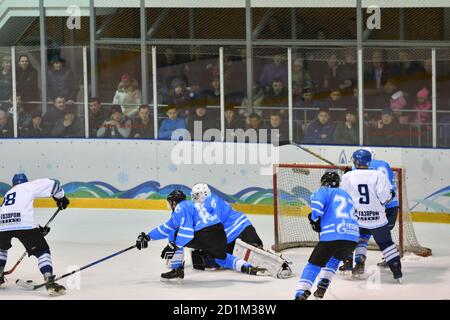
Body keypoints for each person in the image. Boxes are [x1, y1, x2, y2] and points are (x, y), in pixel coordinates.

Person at [134, 190, 267, 281]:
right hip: (219, 233)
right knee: (221, 258)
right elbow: (166, 227)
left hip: (206, 234)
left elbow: (185, 233)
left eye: (170, 203)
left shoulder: (181, 207)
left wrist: (173, 246)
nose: (170, 205)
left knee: (174, 234)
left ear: (174, 202)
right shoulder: (192, 205)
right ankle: (248, 268)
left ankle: (177, 269)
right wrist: (148, 237)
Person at [0, 173, 70, 296]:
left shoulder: (8, 193)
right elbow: (54, 185)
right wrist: (61, 198)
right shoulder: (30, 186)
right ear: (26, 181)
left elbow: (14, 213)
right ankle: (49, 281)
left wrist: (38, 228)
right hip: (25, 225)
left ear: (13, 184)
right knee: (42, 251)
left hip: (2, 224)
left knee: (1, 247)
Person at [294, 172, 359, 300]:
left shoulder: (323, 191)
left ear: (323, 182)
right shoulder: (347, 196)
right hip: (352, 237)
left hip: (333, 235)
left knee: (313, 265)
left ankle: (301, 292)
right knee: (334, 260)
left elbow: (316, 211)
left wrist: (313, 219)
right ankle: (323, 286)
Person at [340, 149, 402, 282]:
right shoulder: (379, 175)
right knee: (386, 244)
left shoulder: (348, 176)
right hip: (378, 220)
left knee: (356, 238)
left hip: (358, 219)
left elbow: (344, 198)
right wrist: (391, 194)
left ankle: (353, 262)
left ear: (356, 161)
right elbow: (385, 199)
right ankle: (397, 272)